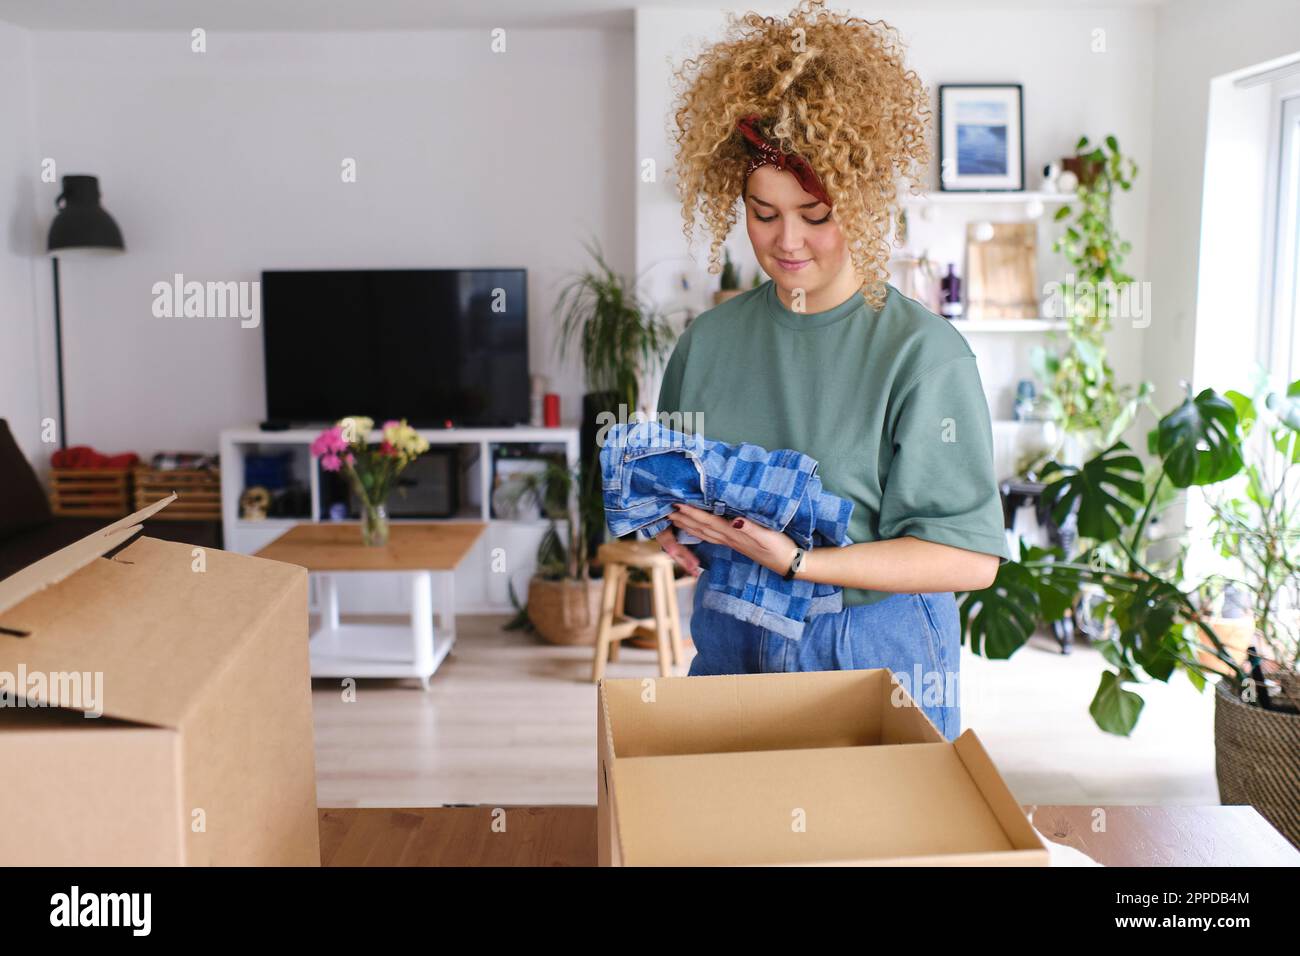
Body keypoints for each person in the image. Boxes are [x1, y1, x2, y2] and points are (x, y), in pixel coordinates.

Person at [653, 0, 1010, 740]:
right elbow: (679, 484)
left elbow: (970, 560)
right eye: (762, 211)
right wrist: (671, 523)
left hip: (871, 647)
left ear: (865, 199)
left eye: (816, 214)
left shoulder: (923, 355)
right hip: (729, 635)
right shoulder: (706, 343)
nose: (787, 242)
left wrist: (797, 564)